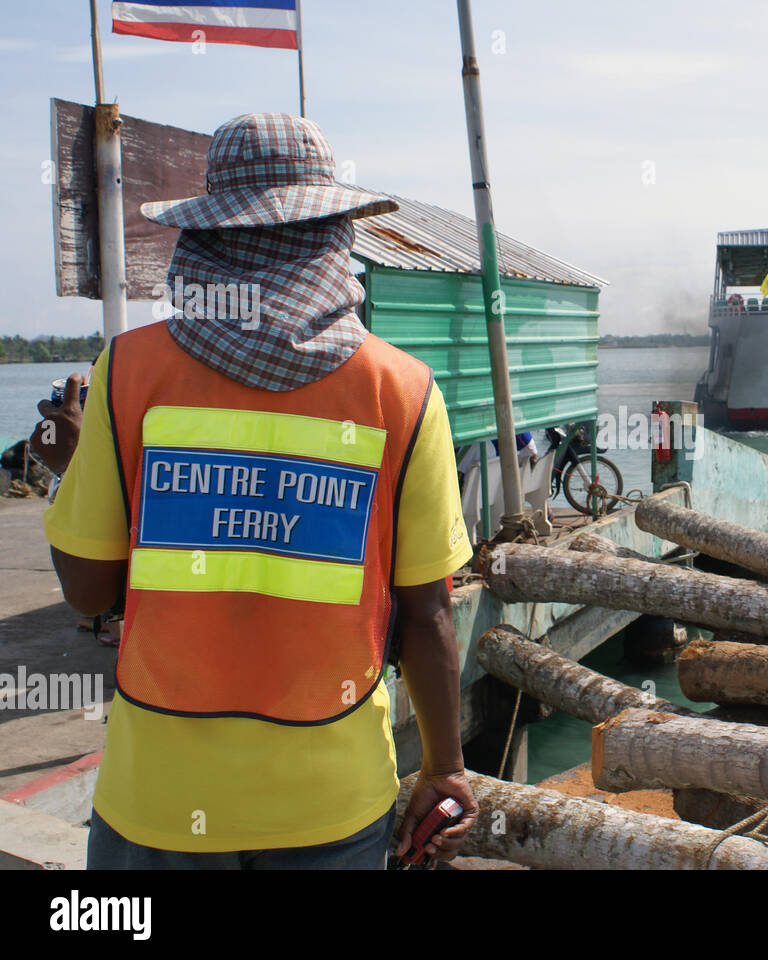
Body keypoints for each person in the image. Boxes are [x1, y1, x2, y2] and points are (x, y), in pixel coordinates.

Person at [37, 113, 476, 869]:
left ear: (206, 238)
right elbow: (428, 613)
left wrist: (75, 471)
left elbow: (87, 591)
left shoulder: (131, 371)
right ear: (336, 235)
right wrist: (444, 768)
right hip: (330, 800)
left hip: (158, 799)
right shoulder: (401, 389)